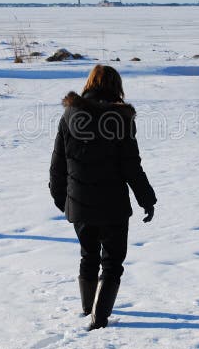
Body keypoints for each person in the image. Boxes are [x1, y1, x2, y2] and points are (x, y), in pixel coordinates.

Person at [49, 64, 157, 330]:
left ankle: (89, 310)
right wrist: (147, 198)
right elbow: (131, 165)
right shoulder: (119, 118)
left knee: (89, 256)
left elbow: (58, 163)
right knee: (111, 263)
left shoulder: (70, 115)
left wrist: (62, 198)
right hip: (113, 206)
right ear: (115, 86)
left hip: (80, 203)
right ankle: (99, 320)